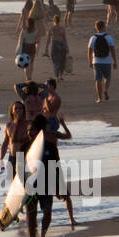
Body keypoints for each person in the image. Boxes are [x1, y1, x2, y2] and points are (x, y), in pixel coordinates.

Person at [40, 79, 76, 228]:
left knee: (63, 191)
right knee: (42, 191)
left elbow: (68, 136)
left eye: (48, 85)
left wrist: (62, 124)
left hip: (52, 154)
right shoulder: (42, 131)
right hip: (42, 155)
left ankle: (71, 219)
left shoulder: (55, 99)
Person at [24, 115, 55, 237]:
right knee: (31, 217)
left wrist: (59, 186)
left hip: (45, 184)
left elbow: (56, 166)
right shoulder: (24, 147)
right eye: (29, 130)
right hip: (29, 186)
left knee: (47, 212)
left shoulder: (50, 147)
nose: (30, 133)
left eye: (33, 130)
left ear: (39, 131)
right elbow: (18, 169)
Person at [87, 20, 116, 102]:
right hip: (106, 61)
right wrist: (115, 61)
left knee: (98, 80)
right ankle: (106, 89)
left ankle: (99, 98)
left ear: (96, 27)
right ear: (104, 27)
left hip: (96, 61)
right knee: (108, 78)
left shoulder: (93, 38)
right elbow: (112, 50)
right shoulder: (108, 37)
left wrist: (90, 61)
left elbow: (89, 51)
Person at [44, 14, 69, 80]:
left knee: (56, 61)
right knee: (62, 61)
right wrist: (67, 47)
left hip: (55, 45)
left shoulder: (51, 29)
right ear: (59, 21)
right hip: (62, 44)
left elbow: (48, 40)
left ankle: (57, 76)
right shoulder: (62, 28)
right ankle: (60, 76)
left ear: (53, 21)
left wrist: (46, 49)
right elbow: (64, 39)